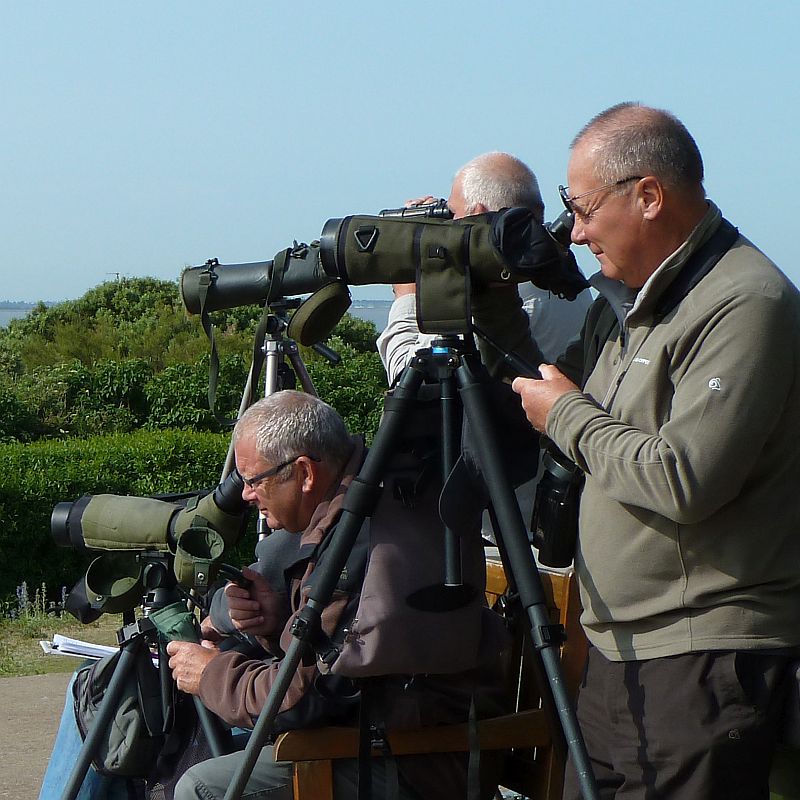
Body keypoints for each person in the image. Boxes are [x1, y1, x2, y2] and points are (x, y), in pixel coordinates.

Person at [511, 102, 800, 799]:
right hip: (620, 653)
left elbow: (685, 478)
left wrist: (568, 417)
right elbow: (540, 395)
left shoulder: (745, 301)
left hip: (699, 662)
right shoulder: (641, 304)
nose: (575, 233)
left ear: (647, 195)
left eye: (581, 209)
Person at [167, 390, 508, 800]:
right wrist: (276, 621)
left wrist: (209, 675)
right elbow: (334, 662)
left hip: (415, 761)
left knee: (200, 787)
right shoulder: (361, 508)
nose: (244, 495)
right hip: (380, 735)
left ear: (305, 473)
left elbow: (303, 697)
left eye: (253, 480)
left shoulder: (361, 536)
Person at [376, 150, 592, 386]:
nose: (446, 226)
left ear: (478, 216)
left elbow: (409, 379)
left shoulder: (487, 290)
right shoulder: (564, 273)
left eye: (452, 213)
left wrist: (407, 292)